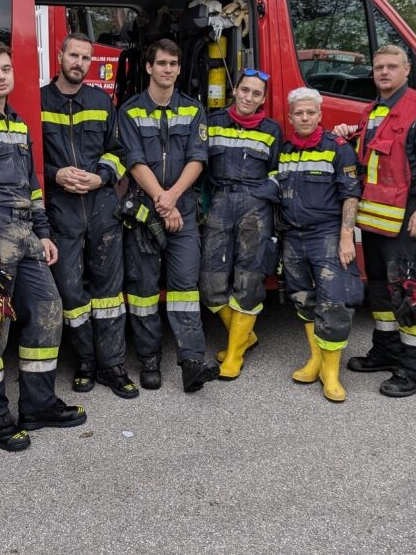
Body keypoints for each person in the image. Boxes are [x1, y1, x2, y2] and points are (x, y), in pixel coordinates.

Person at [0, 41, 86, 451]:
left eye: (5, 68)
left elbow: (32, 184)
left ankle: (38, 406)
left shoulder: (18, 123)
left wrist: (43, 233)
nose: (1, 76)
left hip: (25, 235)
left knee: (47, 310)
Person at [334, 44, 416, 397]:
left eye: (391, 66)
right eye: (378, 67)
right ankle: (386, 353)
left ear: (405, 71)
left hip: (406, 218)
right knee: (382, 292)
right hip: (376, 221)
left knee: (409, 292)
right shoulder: (374, 110)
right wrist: (347, 135)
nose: (383, 72)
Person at [117, 39, 219, 393]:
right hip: (146, 212)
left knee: (184, 288)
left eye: (174, 63)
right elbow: (133, 161)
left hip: (183, 211)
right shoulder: (129, 111)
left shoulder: (193, 110)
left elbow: (198, 158)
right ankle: (149, 360)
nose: (169, 69)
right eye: (161, 63)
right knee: (144, 290)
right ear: (148, 67)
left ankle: (192, 361)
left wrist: (173, 198)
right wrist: (162, 199)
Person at [40, 33, 137, 399]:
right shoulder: (37, 100)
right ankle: (85, 363)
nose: (79, 62)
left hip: (101, 207)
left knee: (109, 292)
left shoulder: (101, 100)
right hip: (61, 210)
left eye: (86, 58)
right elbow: (31, 157)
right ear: (60, 56)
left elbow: (117, 151)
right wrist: (55, 175)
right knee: (71, 292)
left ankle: (113, 365)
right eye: (74, 55)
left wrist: (102, 176)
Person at [259, 87, 363, 402]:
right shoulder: (286, 150)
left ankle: (331, 374)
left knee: (333, 303)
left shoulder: (338, 148)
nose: (304, 117)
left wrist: (347, 237)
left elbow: (350, 193)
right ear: (290, 118)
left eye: (310, 112)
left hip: (327, 235)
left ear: (319, 116)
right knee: (303, 299)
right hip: (293, 236)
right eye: (298, 113)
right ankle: (316, 360)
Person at [198, 69, 283, 380]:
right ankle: (244, 335)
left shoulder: (272, 129)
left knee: (249, 281)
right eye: (245, 90)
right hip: (220, 203)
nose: (249, 97)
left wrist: (263, 195)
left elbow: (278, 172)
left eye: (256, 94)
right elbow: (199, 164)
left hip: (255, 207)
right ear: (235, 90)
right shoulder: (213, 122)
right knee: (209, 283)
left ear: (262, 100)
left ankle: (233, 355)